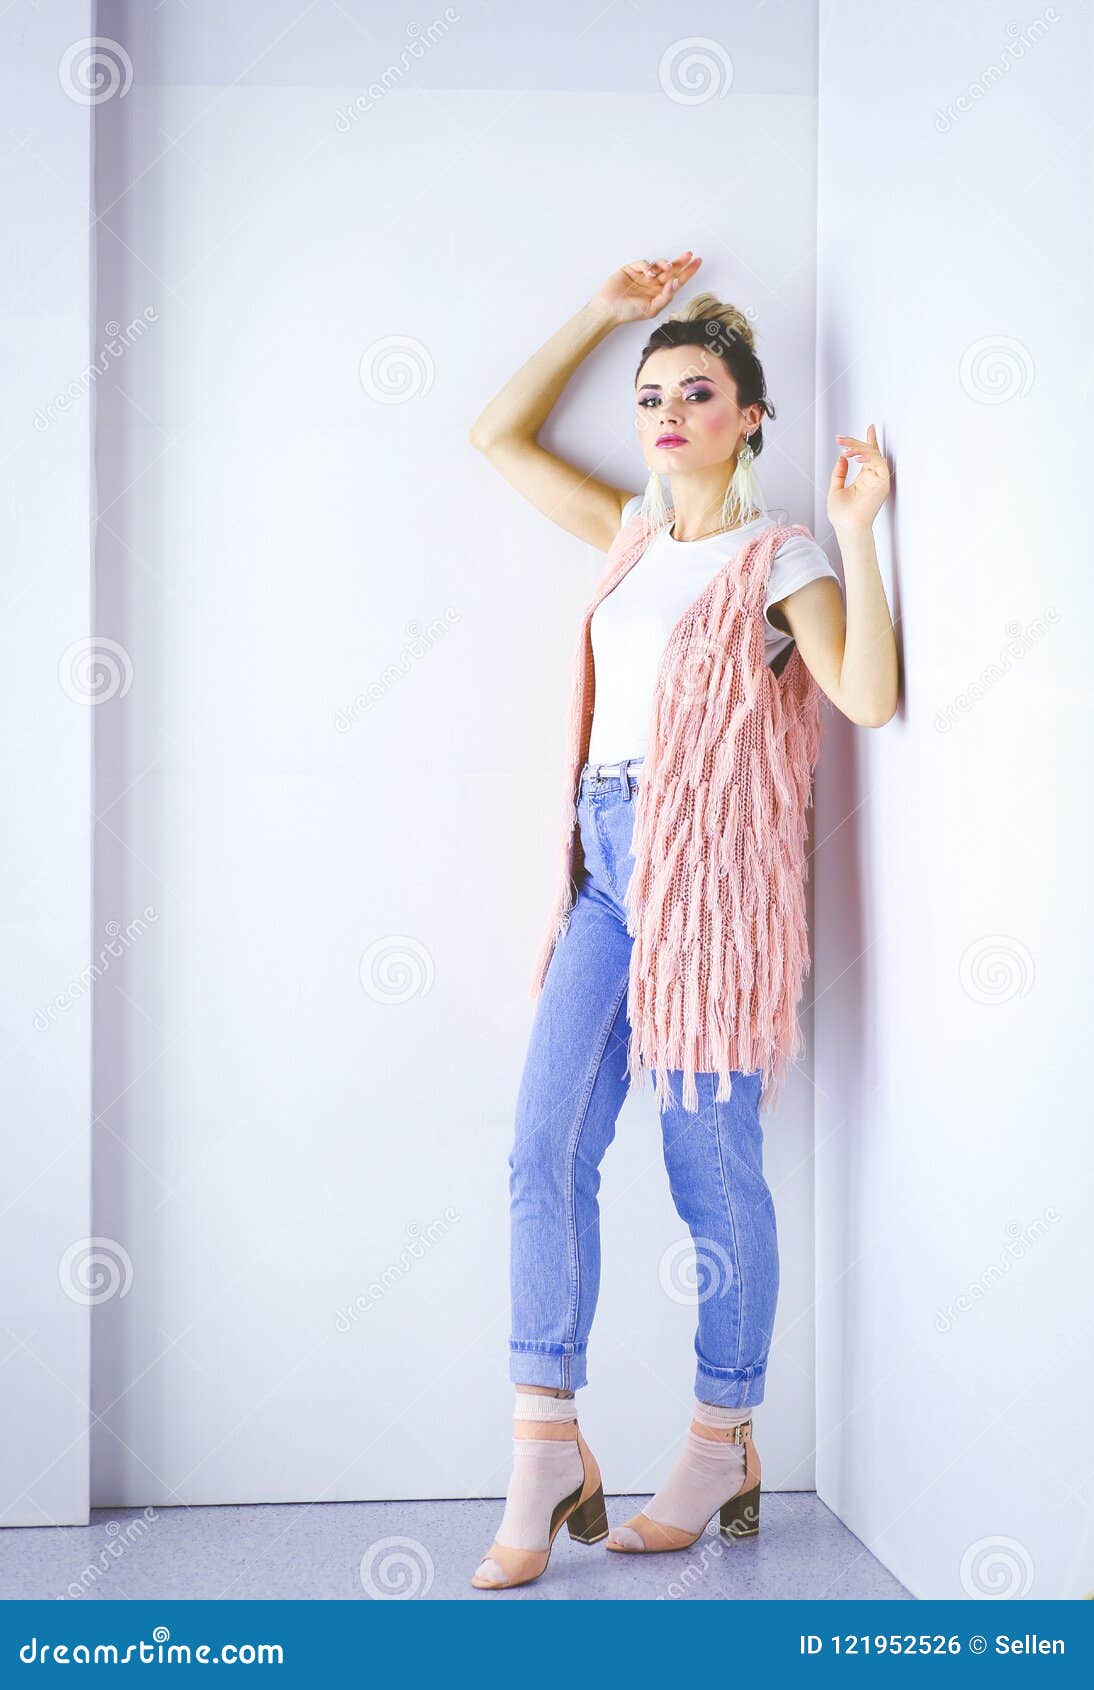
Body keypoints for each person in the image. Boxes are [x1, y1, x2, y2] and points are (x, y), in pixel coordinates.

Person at [467, 251, 896, 1590]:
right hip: (602, 867)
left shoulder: (778, 555)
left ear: (746, 418)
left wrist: (863, 529)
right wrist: (600, 313)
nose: (662, 412)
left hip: (708, 887)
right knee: (544, 1143)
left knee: (708, 1171)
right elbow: (495, 434)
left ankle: (720, 1435)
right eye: (650, 393)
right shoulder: (633, 536)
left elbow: (866, 695)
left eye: (693, 392)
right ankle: (546, 1436)